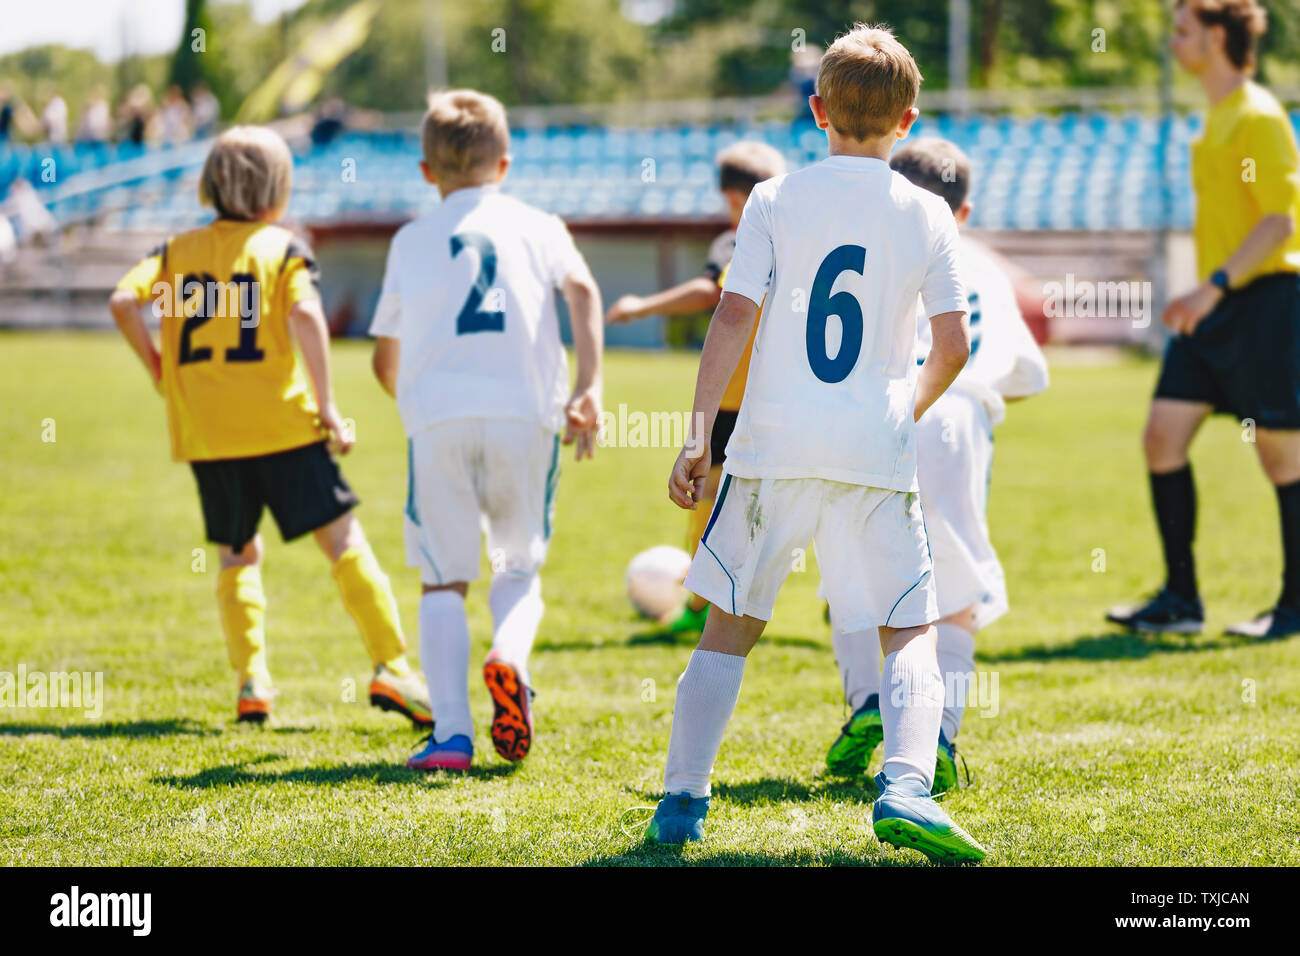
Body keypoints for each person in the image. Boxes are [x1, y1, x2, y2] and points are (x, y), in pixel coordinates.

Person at [646, 24, 986, 863]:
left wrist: (698, 439)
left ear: (817, 109)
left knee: (728, 627)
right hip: (872, 444)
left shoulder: (773, 200)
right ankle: (906, 784)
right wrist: (901, 408)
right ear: (907, 120)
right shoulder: (929, 211)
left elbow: (732, 314)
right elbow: (953, 347)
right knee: (906, 629)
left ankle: (682, 801)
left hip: (771, 444)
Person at [107, 126, 432, 726]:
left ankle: (252, 680)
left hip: (208, 436)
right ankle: (393, 665)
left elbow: (124, 302)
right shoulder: (281, 249)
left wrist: (158, 367)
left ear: (210, 188)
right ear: (276, 194)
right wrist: (330, 407)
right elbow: (307, 313)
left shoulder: (175, 252)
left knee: (237, 554)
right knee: (343, 541)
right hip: (283, 427)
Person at [370, 90, 603, 772]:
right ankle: (509, 656)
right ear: (504, 163)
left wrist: (409, 396)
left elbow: (385, 353)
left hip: (438, 417)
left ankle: (450, 735)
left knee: (443, 578)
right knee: (517, 565)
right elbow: (583, 291)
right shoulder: (537, 223)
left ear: (425, 172)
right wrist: (589, 385)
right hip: (523, 411)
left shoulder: (410, 239)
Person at [825, 138, 1049, 793]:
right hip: (955, 416)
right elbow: (1029, 374)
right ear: (966, 207)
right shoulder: (980, 263)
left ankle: (868, 700)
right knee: (954, 595)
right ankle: (941, 736)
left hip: (869, 412)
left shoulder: (869, 245)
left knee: (853, 575)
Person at [1107, 0, 1300, 639]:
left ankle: (1294, 606)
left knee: (1281, 456)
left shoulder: (1258, 115)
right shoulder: (1217, 116)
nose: (1173, 41)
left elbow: (1281, 221)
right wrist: (1205, 292)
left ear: (1217, 36)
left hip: (1266, 302)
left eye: (1183, 30)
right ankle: (1182, 602)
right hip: (1215, 305)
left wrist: (1213, 286)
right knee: (1162, 438)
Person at [606, 141, 786, 633]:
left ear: (731, 198)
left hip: (738, 394)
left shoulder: (736, 241)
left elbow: (713, 294)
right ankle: (840, 590)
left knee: (706, 493)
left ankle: (703, 605)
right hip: (786, 391)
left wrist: (642, 306)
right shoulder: (799, 232)